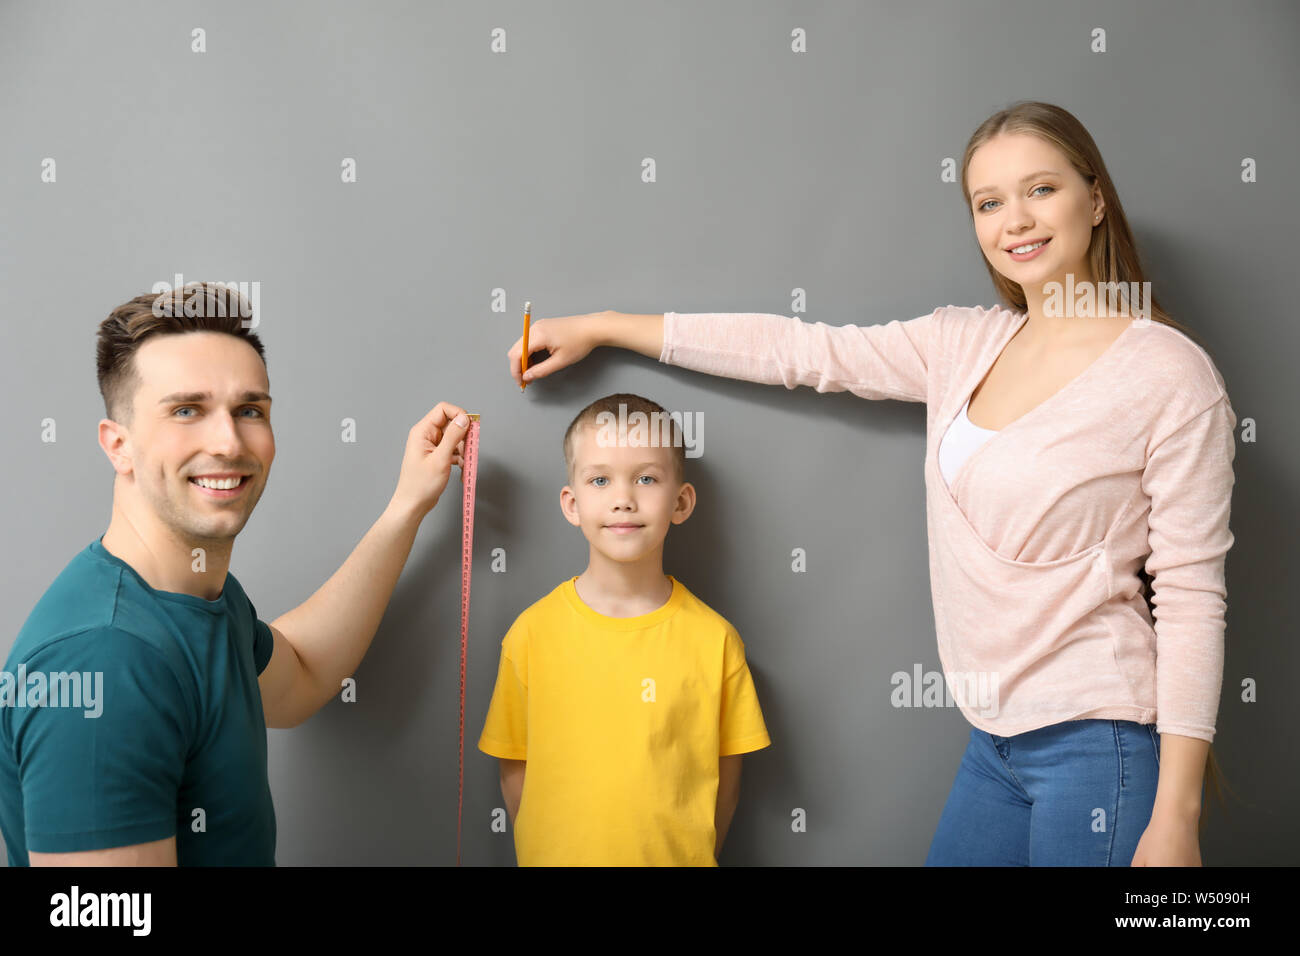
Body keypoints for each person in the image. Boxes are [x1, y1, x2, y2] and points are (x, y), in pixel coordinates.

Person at [500, 102, 1237, 866]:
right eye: (988, 203)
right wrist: (604, 326)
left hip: (1098, 744)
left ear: (1095, 197)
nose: (1014, 220)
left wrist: (1174, 816)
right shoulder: (962, 342)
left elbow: (1190, 595)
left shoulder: (1167, 373)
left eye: (1040, 190)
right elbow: (799, 350)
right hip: (995, 741)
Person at [0, 282, 470, 865]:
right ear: (118, 445)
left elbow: (301, 676)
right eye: (186, 410)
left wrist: (407, 507)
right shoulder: (106, 661)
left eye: (249, 410)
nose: (227, 441)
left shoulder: (195, 599)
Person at [477, 392, 771, 865]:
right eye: (600, 479)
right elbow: (515, 768)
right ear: (572, 504)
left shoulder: (715, 642)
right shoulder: (530, 634)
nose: (623, 499)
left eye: (646, 478)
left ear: (681, 501)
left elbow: (725, 786)